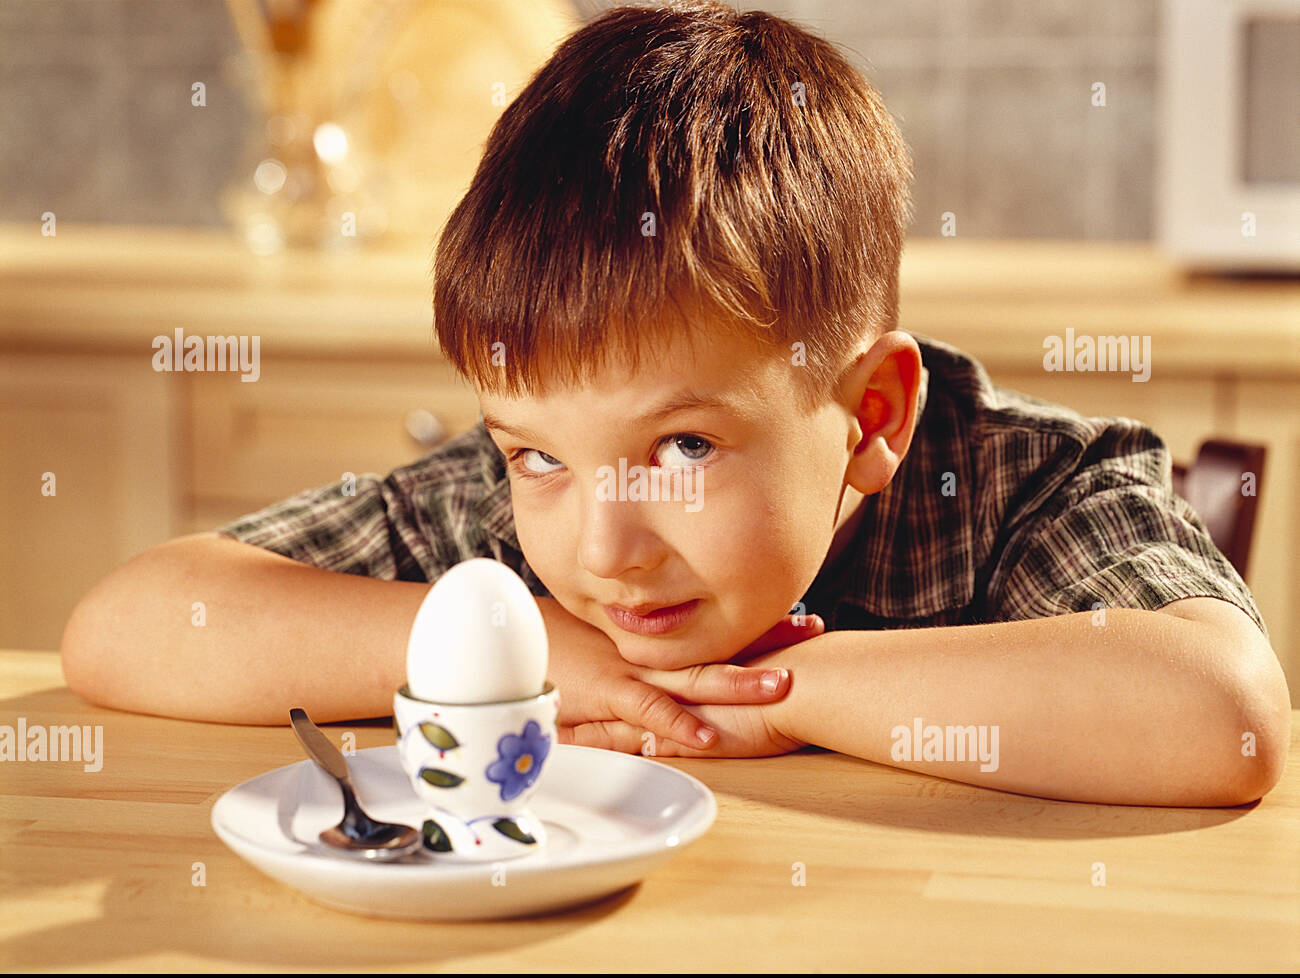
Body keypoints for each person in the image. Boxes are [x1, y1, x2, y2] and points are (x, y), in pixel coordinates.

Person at [61, 1, 1289, 806]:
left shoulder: (1025, 486)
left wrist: (787, 698)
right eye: (534, 452)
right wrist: (554, 650)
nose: (602, 548)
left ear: (870, 415)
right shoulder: (522, 521)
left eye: (684, 445)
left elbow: (1222, 718)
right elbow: (128, 626)